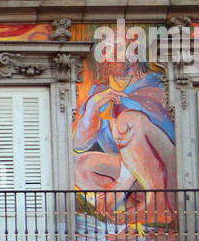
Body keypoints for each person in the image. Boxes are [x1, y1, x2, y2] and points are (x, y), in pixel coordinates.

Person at [73, 46, 175, 231]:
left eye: (115, 49)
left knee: (129, 120)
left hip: (167, 167)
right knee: (79, 165)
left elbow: (142, 134)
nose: (106, 55)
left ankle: (157, 204)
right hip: (132, 174)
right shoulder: (101, 90)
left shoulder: (154, 84)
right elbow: (79, 143)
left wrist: (120, 184)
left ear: (134, 55)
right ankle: (130, 213)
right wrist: (92, 108)